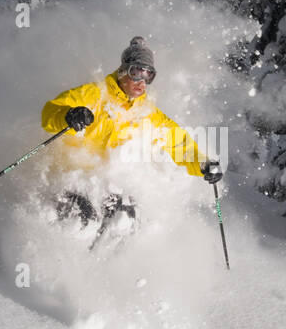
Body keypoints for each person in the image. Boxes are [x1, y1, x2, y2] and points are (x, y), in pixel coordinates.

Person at [40, 36, 222, 241]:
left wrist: (203, 163)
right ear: (124, 70)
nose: (142, 82)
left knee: (126, 216)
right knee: (86, 219)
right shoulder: (93, 94)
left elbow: (178, 143)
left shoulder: (147, 112)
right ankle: (63, 258)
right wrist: (68, 116)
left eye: (149, 75)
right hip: (72, 177)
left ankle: (112, 267)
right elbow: (49, 112)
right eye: (136, 73)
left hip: (106, 182)